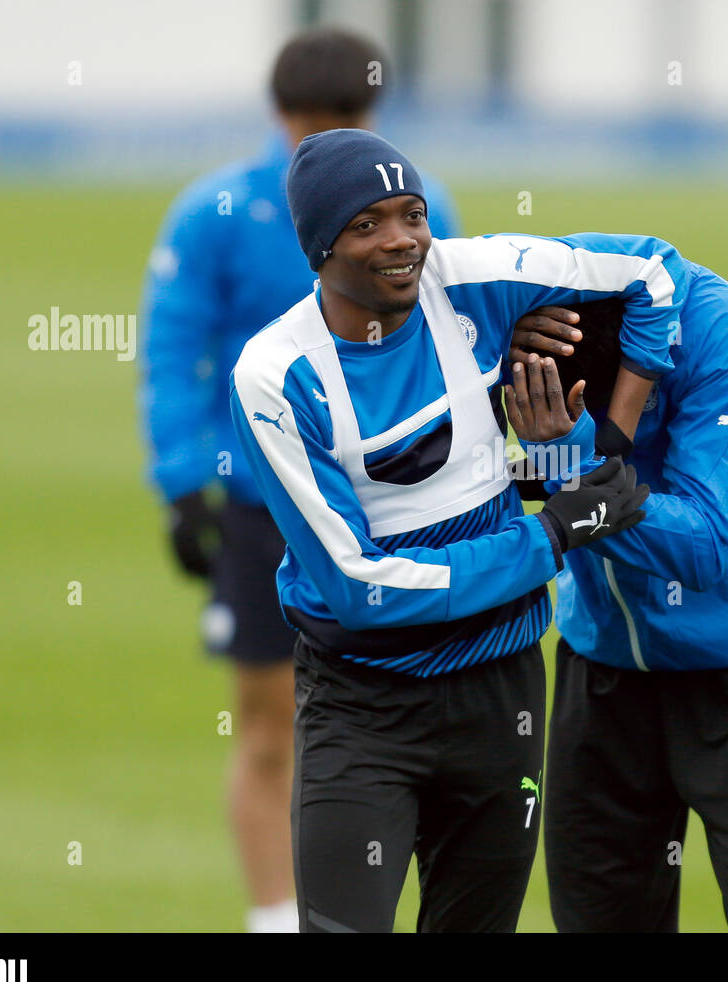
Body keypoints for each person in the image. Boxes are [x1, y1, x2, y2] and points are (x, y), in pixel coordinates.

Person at [228, 128, 694, 932]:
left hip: (501, 692)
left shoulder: (473, 275)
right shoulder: (274, 377)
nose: (403, 239)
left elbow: (654, 270)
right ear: (319, 246)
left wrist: (610, 447)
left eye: (412, 213)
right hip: (361, 707)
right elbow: (361, 588)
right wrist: (552, 533)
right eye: (368, 223)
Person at [137, 27, 461, 933]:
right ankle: (277, 919)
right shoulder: (215, 214)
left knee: (414, 718)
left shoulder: (420, 211)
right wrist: (181, 482)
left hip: (395, 499)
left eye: (351, 121)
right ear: (282, 116)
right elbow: (174, 350)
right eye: (316, 124)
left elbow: (466, 340)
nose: (331, 142)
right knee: (272, 719)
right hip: (262, 504)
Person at [506, 277, 728, 933]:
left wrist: (567, 471)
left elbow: (704, 547)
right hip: (601, 671)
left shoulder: (717, 325)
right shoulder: (518, 317)